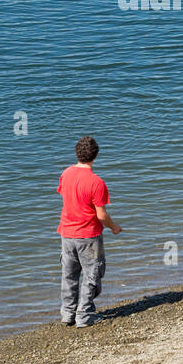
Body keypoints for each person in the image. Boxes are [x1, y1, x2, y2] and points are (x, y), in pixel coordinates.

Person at [57, 136, 121, 327]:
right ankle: (84, 315)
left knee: (69, 274)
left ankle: (68, 313)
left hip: (67, 233)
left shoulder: (66, 173)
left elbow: (66, 196)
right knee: (92, 273)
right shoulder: (96, 182)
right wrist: (114, 227)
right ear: (96, 156)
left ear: (77, 153)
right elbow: (101, 215)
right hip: (89, 235)